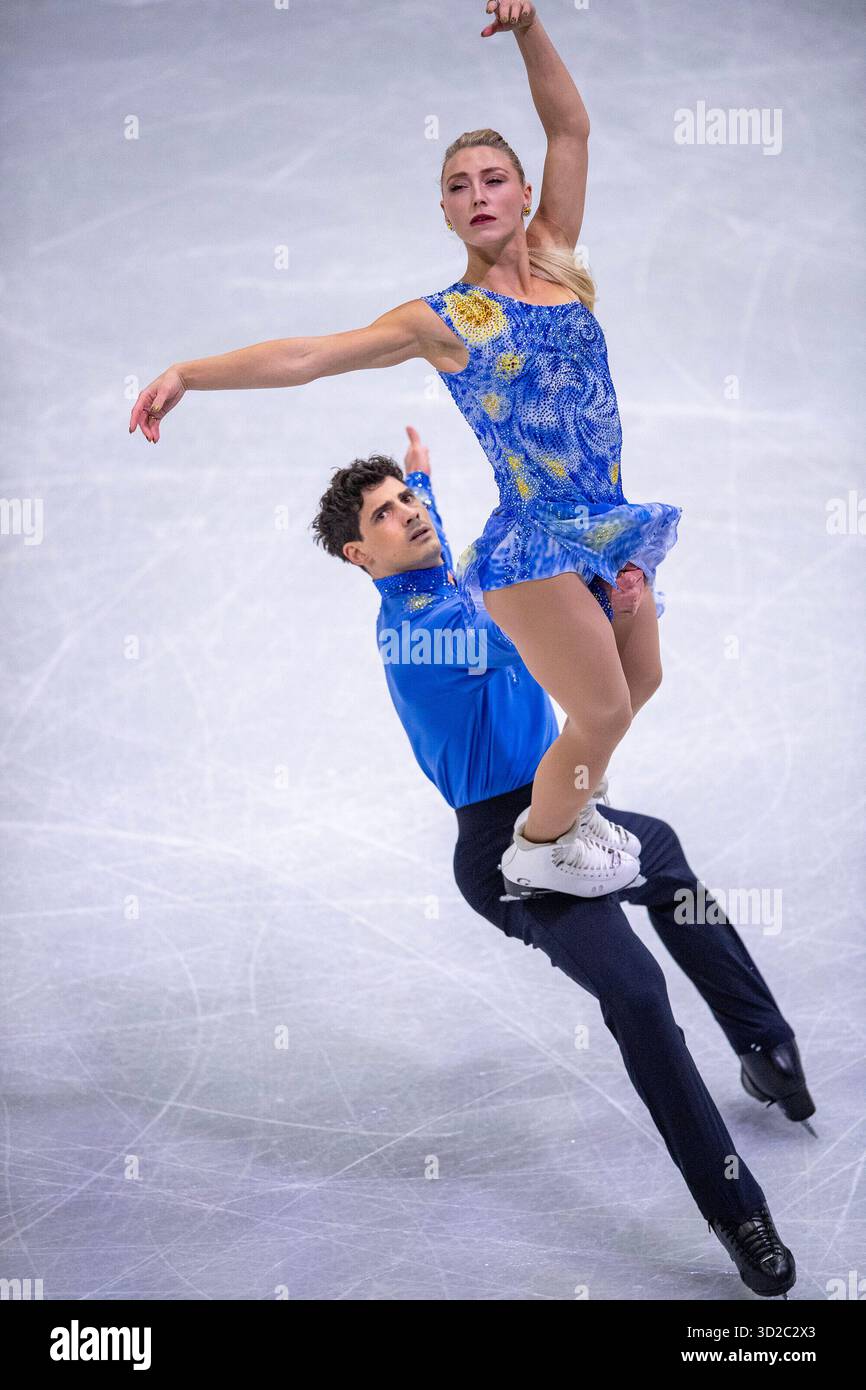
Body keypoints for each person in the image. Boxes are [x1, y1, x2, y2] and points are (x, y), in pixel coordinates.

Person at [128, 1, 681, 898]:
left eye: (495, 178)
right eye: (460, 186)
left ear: (524, 191)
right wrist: (192, 372)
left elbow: (570, 125)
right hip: (535, 541)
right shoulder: (443, 320)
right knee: (603, 707)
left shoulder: (557, 260)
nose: (480, 196)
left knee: (640, 677)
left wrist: (531, 28)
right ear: (445, 211)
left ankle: (570, 808)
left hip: (607, 524)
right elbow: (310, 356)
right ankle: (537, 851)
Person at [309, 428, 815, 1300]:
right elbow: (534, 632)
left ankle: (766, 1043)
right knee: (635, 994)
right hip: (506, 846)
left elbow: (463, 549)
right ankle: (738, 1210)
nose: (411, 514)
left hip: (569, 798)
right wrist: (600, 582)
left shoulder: (445, 571)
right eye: (386, 516)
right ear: (360, 555)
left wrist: (423, 471)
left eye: (410, 499)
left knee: (663, 860)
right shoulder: (424, 635)